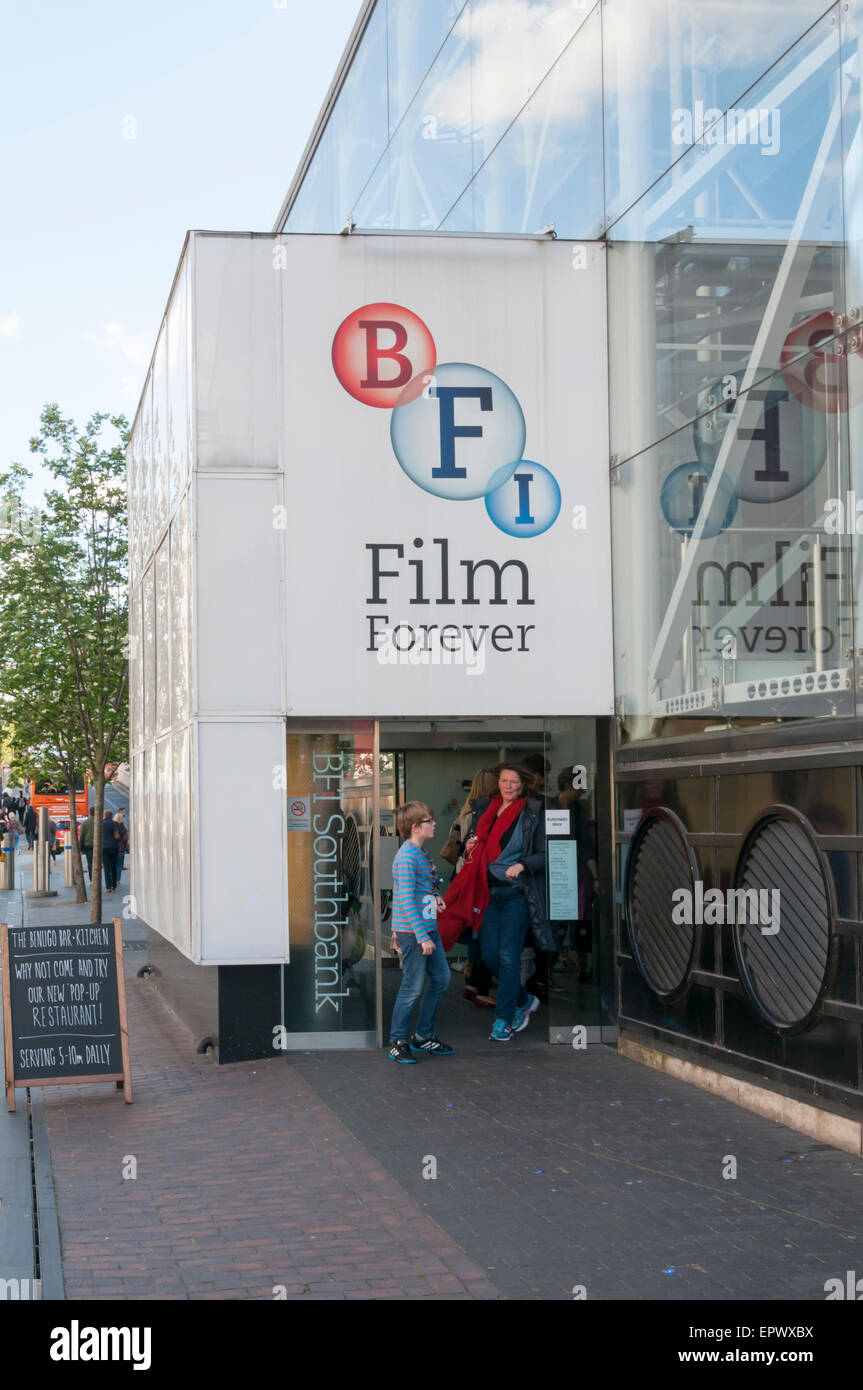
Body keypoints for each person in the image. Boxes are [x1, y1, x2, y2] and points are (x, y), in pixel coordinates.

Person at [442, 764, 555, 1042]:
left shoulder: (533, 812)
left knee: (507, 956)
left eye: (514, 782)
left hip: (516, 893)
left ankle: (504, 1020)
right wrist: (469, 846)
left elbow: (548, 853)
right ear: (499, 783)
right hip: (486, 892)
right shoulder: (485, 810)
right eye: (504, 781)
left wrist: (523, 864)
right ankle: (524, 999)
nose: (508, 786)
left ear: (523, 785)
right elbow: (470, 842)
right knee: (490, 955)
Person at [387, 801, 453, 1064]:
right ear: (415, 827)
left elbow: (423, 887)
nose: (434, 824)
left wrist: (435, 897)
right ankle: (397, 1041)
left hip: (427, 930)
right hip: (415, 933)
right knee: (412, 987)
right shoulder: (406, 857)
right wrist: (422, 936)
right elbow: (404, 899)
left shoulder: (420, 854)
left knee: (441, 979)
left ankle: (423, 1037)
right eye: (429, 821)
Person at [448, 768, 499, 1008]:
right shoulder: (489, 810)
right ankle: (479, 985)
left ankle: (472, 978)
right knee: (485, 929)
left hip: (463, 872)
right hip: (479, 875)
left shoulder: (466, 811)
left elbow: (459, 843)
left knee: (475, 927)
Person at [102, 811, 120, 892]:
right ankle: (114, 885)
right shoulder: (115, 823)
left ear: (104, 815)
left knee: (106, 867)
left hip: (104, 847)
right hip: (114, 847)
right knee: (113, 866)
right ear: (111, 815)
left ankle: (108, 887)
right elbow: (121, 833)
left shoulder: (101, 823)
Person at [78, 809, 95, 881]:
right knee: (97, 863)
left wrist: (80, 846)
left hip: (87, 845)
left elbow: (81, 835)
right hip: (98, 845)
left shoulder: (85, 823)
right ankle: (97, 879)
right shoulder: (100, 821)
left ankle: (92, 880)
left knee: (90, 863)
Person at [114, 807, 129, 881]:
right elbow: (125, 838)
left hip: (113, 849)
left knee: (113, 865)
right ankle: (118, 880)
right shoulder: (123, 827)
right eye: (123, 812)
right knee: (119, 865)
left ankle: (113, 880)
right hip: (121, 848)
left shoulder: (112, 826)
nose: (124, 813)